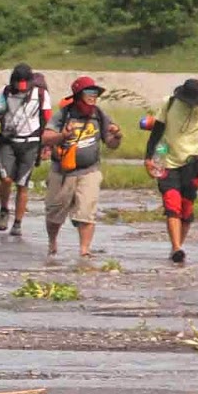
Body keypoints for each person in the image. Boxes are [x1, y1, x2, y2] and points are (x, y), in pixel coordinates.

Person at [42, 76, 123, 259]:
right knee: (55, 213)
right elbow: (46, 138)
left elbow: (110, 143)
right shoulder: (63, 114)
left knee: (87, 211)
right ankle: (52, 243)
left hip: (89, 170)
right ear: (78, 95)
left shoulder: (99, 114)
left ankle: (84, 250)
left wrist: (116, 136)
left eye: (95, 93)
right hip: (62, 172)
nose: (93, 97)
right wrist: (62, 136)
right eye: (89, 93)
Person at [144, 78, 198, 266]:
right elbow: (157, 131)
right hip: (166, 160)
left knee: (186, 209)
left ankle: (176, 248)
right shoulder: (169, 103)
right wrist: (148, 158)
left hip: (192, 163)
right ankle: (177, 247)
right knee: (172, 205)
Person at [0, 63, 49, 237]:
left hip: (31, 143)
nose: (22, 90)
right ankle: (4, 210)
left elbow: (46, 121)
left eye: (25, 87)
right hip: (8, 142)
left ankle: (18, 223)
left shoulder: (41, 94)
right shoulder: (5, 92)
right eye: (18, 86)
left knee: (22, 184)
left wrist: (46, 146)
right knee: (5, 178)